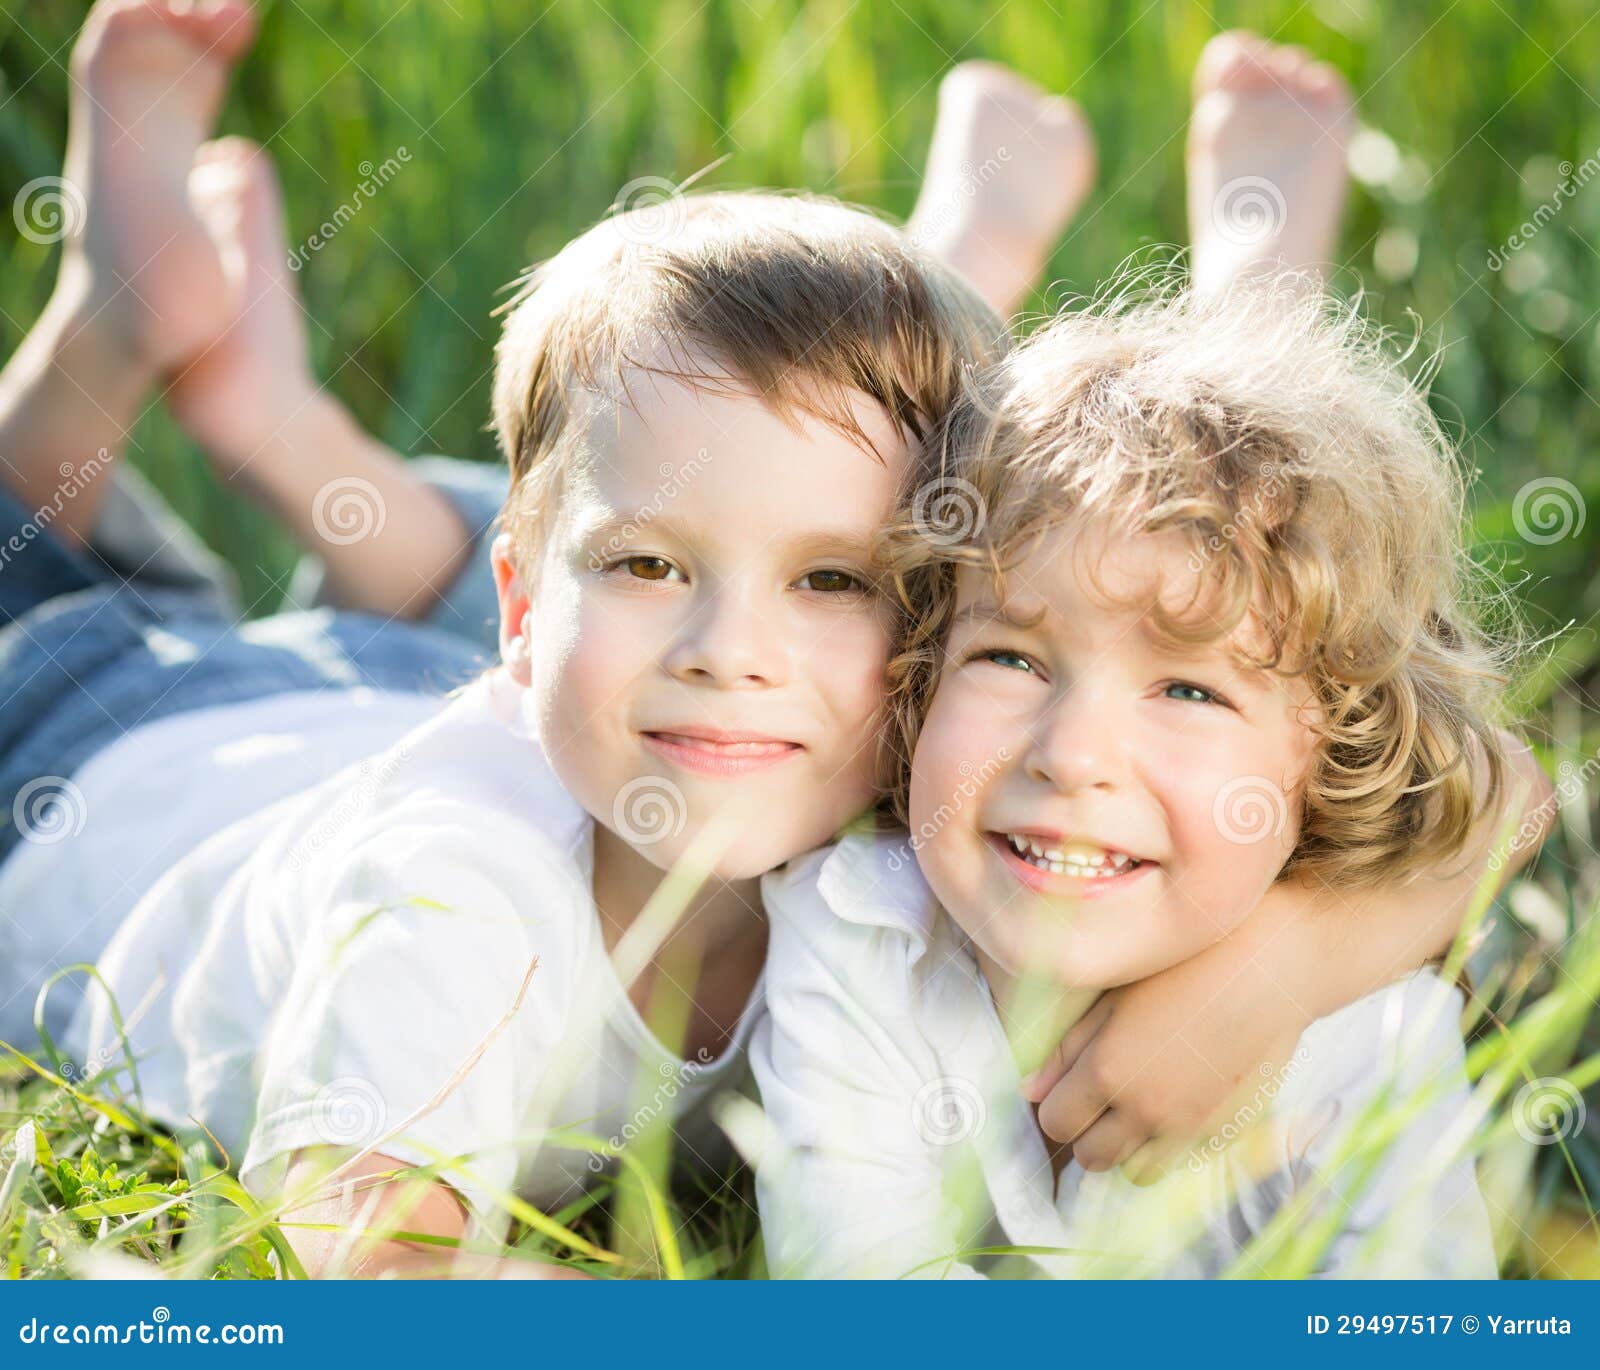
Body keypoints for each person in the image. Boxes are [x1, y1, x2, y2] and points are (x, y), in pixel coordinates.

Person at [750, 34, 1551, 1280]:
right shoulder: (856, 928)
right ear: (919, 685)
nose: (1070, 754)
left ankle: (1257, 282)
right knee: (866, 498)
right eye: (1009, 660)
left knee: (1256, 509)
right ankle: (964, 257)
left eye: (1185, 686)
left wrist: (1276, 976)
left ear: (1328, 759)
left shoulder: (1372, 1036)